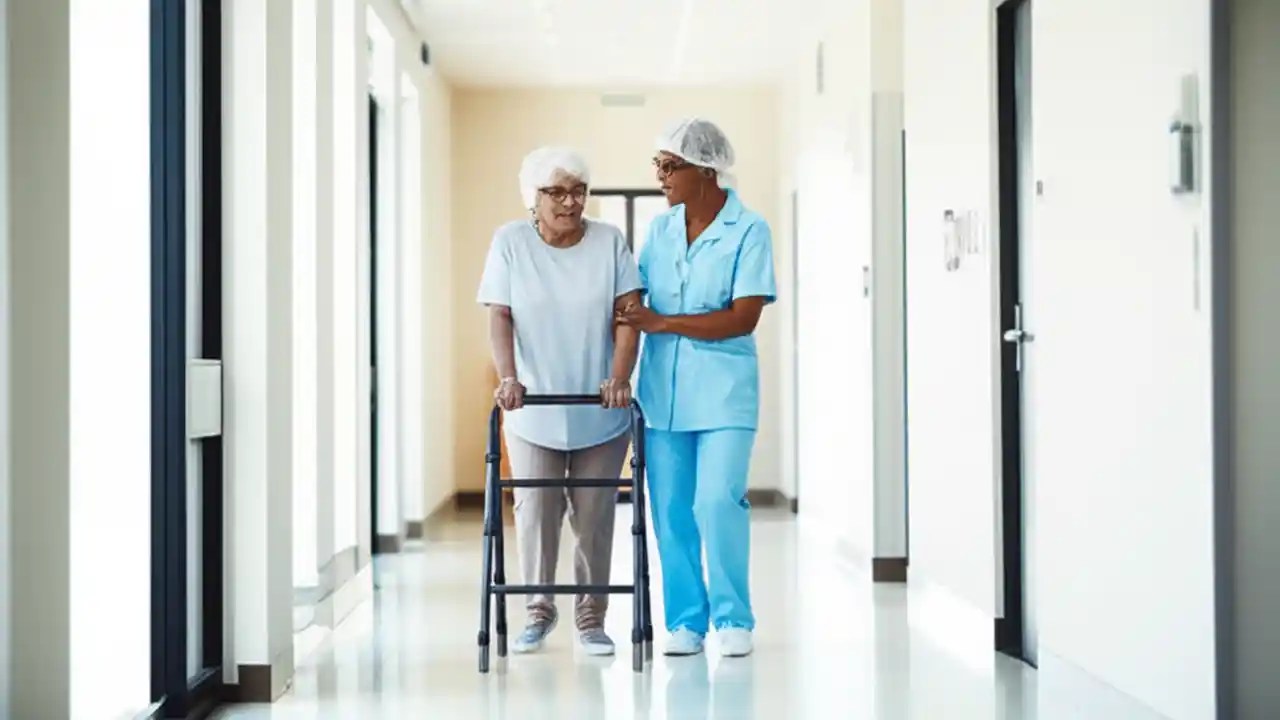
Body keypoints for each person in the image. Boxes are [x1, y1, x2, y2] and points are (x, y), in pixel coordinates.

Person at [617, 118, 777, 659]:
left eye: (670, 166)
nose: (661, 176)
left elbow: (742, 316)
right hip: (662, 393)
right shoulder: (660, 231)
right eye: (657, 166)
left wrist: (666, 322)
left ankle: (734, 617)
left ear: (705, 169)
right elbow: (637, 303)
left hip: (726, 394)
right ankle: (686, 620)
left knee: (716, 501)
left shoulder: (749, 229)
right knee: (669, 509)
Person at [476, 146, 643, 656]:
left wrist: (619, 377)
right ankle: (537, 610)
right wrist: (508, 377)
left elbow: (627, 314)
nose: (570, 202)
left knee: (594, 515)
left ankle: (591, 618)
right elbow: (500, 314)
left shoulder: (609, 241)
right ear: (534, 195)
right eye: (557, 192)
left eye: (578, 191)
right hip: (533, 408)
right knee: (535, 510)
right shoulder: (510, 242)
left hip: (600, 408)